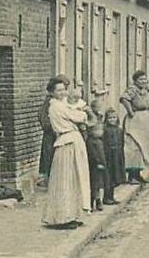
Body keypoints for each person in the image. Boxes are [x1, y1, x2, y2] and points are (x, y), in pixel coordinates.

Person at [42, 76, 91, 228]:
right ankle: (62, 217)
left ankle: (73, 214)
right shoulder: (56, 106)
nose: (63, 93)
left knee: (74, 179)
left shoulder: (61, 105)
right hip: (66, 142)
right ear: (51, 92)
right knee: (65, 181)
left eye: (64, 89)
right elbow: (79, 116)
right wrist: (82, 114)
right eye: (58, 90)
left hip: (71, 140)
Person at [120, 70, 149, 185]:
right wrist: (130, 112)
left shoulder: (144, 90)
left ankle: (138, 173)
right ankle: (132, 175)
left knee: (143, 147)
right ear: (135, 81)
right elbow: (124, 98)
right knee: (134, 147)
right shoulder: (132, 89)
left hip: (143, 121)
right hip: (135, 121)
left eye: (145, 79)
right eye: (141, 79)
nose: (143, 81)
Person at [38, 74, 70, 185]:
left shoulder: (66, 102)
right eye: (60, 89)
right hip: (52, 136)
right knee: (52, 158)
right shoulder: (49, 103)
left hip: (63, 135)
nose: (63, 92)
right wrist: (55, 126)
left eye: (65, 88)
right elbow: (43, 118)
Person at [101, 108, 124, 206]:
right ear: (106, 119)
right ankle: (106, 197)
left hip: (117, 155)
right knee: (108, 176)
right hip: (109, 156)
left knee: (115, 176)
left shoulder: (119, 130)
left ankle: (111, 196)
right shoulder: (105, 130)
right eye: (110, 118)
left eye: (114, 118)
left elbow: (121, 143)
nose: (112, 120)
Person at [86, 121, 107, 211]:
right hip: (94, 167)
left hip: (101, 167)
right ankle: (91, 202)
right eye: (99, 130)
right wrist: (98, 163)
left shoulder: (100, 141)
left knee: (99, 185)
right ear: (92, 131)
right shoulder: (91, 142)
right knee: (93, 185)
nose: (101, 132)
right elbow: (93, 155)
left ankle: (98, 200)